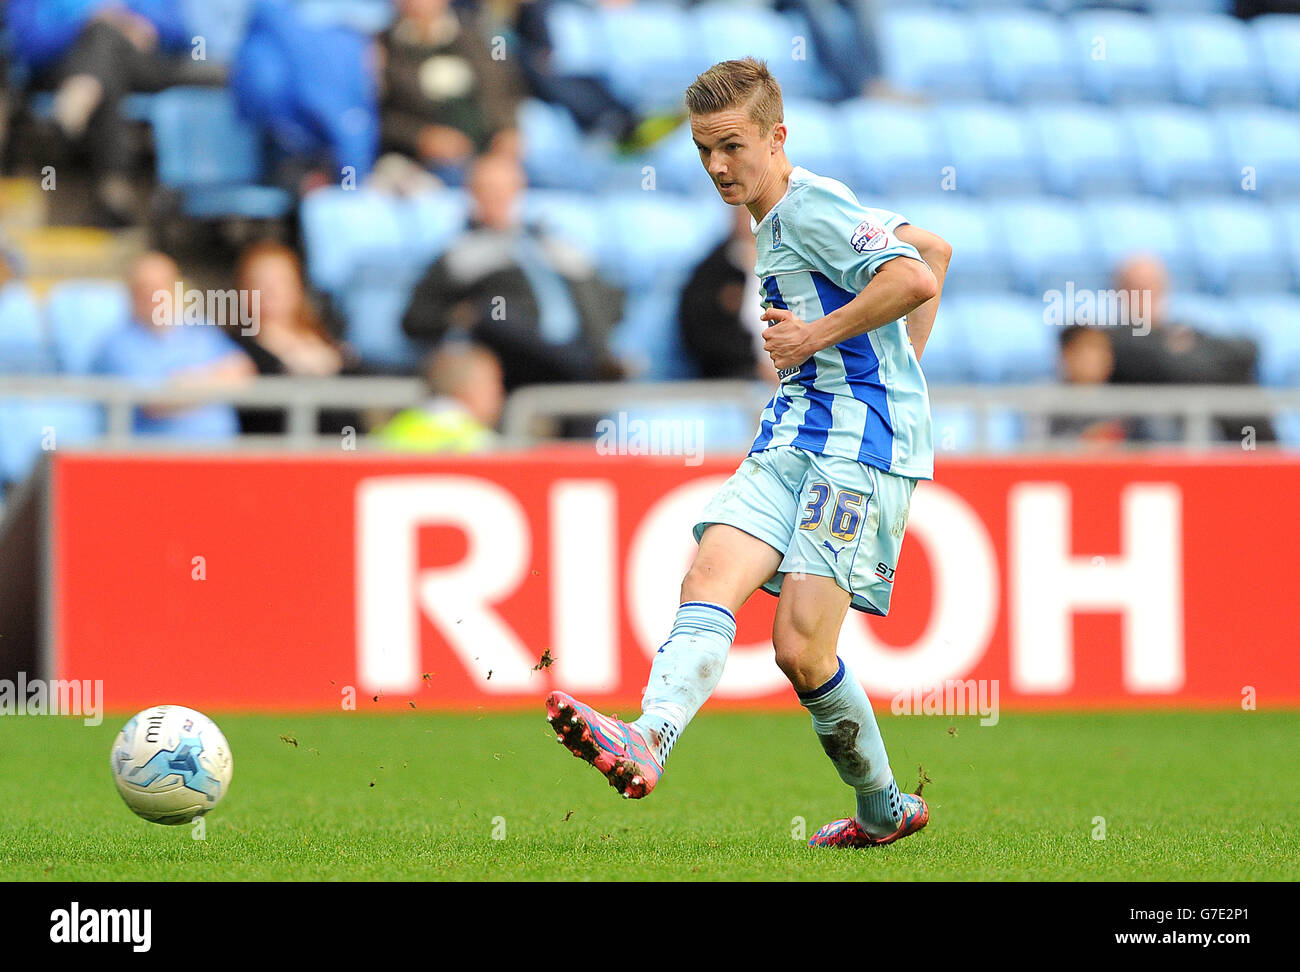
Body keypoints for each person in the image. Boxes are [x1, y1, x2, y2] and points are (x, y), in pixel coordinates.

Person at [544, 58, 952, 850]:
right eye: (703, 150)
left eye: (731, 145)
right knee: (707, 575)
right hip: (794, 430)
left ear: (777, 136)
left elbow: (913, 277)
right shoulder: (774, 217)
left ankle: (883, 807)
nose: (717, 166)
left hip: (853, 448)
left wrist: (835, 349)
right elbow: (933, 248)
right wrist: (900, 369)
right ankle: (648, 736)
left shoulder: (809, 208)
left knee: (801, 650)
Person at [401, 152, 624, 391]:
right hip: (514, 367)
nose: (495, 198)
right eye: (486, 189)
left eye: (503, 189)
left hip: (576, 355)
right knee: (492, 313)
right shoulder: (460, 254)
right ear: (471, 193)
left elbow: (612, 297)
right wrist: (462, 315)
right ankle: (589, 365)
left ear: (519, 190)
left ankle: (594, 359)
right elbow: (415, 319)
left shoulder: (552, 243)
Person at [1106, 254, 1274, 443]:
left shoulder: (1181, 333)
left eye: (1153, 287)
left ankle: (1261, 461)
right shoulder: (1115, 341)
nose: (1146, 297)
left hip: (1215, 426)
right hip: (1160, 437)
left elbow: (1246, 352)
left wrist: (1184, 352)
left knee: (1242, 394)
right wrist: (1189, 355)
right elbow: (1171, 365)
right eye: (1136, 289)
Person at [92, 251, 254, 438]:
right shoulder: (117, 344)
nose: (155, 297)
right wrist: (215, 380)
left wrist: (184, 383)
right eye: (145, 289)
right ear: (131, 294)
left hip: (221, 455)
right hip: (156, 458)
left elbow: (243, 370)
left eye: (162, 287)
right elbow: (155, 402)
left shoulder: (199, 328)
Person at [377, 0, 521, 186]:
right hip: (423, 161)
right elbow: (374, 116)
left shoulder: (474, 37)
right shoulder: (382, 47)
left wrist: (507, 128)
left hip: (485, 150)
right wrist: (420, 137)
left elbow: (502, 87)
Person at [232, 241, 366, 436]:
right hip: (278, 456)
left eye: (281, 281)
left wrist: (333, 361)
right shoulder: (233, 347)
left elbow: (361, 387)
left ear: (298, 286)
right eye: (260, 283)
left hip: (345, 450)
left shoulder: (328, 337)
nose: (271, 291)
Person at [679, 202, 777, 381]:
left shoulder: (799, 262)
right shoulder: (713, 274)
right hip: (740, 381)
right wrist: (756, 366)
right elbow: (703, 336)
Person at [374, 342, 503, 451]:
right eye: (494, 383)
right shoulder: (480, 443)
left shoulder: (396, 428)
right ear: (469, 387)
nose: (500, 393)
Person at [1049, 325, 1127, 447]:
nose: (1098, 357)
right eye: (1090, 348)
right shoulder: (1047, 405)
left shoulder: (1124, 404)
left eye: (1103, 349)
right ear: (1067, 354)